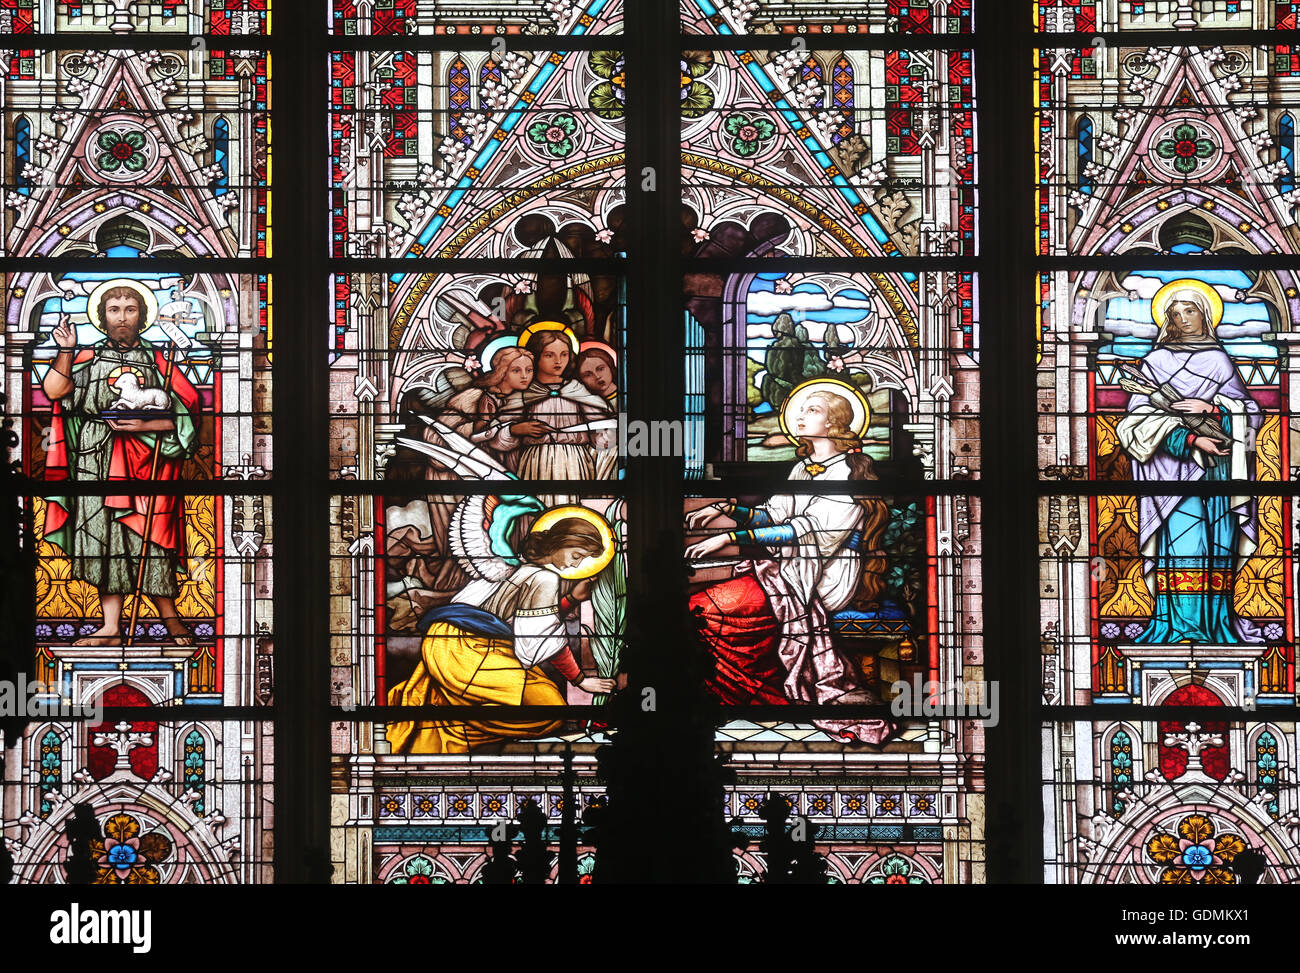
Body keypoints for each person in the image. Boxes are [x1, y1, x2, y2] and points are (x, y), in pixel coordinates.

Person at [684, 386, 894, 744]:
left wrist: (728, 539)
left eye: (811, 410)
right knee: (695, 604)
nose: (799, 415)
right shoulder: (802, 467)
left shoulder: (848, 474)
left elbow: (803, 531)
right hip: (787, 567)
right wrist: (725, 510)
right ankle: (737, 698)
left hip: (821, 576)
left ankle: (763, 697)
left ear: (835, 424)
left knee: (703, 607)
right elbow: (772, 514)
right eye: (798, 410)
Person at [41, 284, 200, 646]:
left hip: (149, 464)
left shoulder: (161, 361)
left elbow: (187, 412)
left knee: (153, 538)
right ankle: (110, 626)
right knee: (105, 540)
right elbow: (55, 391)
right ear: (103, 316)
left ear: (142, 317)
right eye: (114, 309)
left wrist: (146, 425)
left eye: (130, 309)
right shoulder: (88, 358)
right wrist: (65, 350)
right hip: (95, 462)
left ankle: (171, 620)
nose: (122, 316)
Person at [385, 516, 617, 753]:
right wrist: (581, 681)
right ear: (558, 543)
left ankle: (442, 718)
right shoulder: (546, 577)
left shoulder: (513, 563)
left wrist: (571, 600)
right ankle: (445, 729)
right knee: (551, 708)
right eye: (576, 556)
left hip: (449, 642)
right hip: (466, 651)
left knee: (531, 696)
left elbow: (519, 621)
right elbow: (541, 639)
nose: (576, 566)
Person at [1116, 286, 1263, 644]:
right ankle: (1179, 627)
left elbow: (1251, 412)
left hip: (1218, 472)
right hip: (1171, 475)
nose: (1183, 320)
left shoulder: (1220, 361)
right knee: (1185, 545)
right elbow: (1135, 423)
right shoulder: (1154, 362)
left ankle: (1216, 624)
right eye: (1175, 314)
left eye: (1190, 311)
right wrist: (1191, 439)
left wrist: (1211, 409)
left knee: (1218, 547)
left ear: (1205, 314)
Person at [506, 330, 616, 500]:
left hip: (574, 462)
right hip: (535, 461)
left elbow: (599, 431)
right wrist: (515, 430)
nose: (558, 361)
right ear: (536, 357)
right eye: (550, 355)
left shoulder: (578, 390)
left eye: (564, 354)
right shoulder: (523, 394)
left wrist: (605, 435)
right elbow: (497, 433)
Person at [577, 345, 619, 479]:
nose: (597, 376)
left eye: (600, 369)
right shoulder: (584, 404)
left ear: (610, 366)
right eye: (587, 374)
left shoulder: (630, 398)